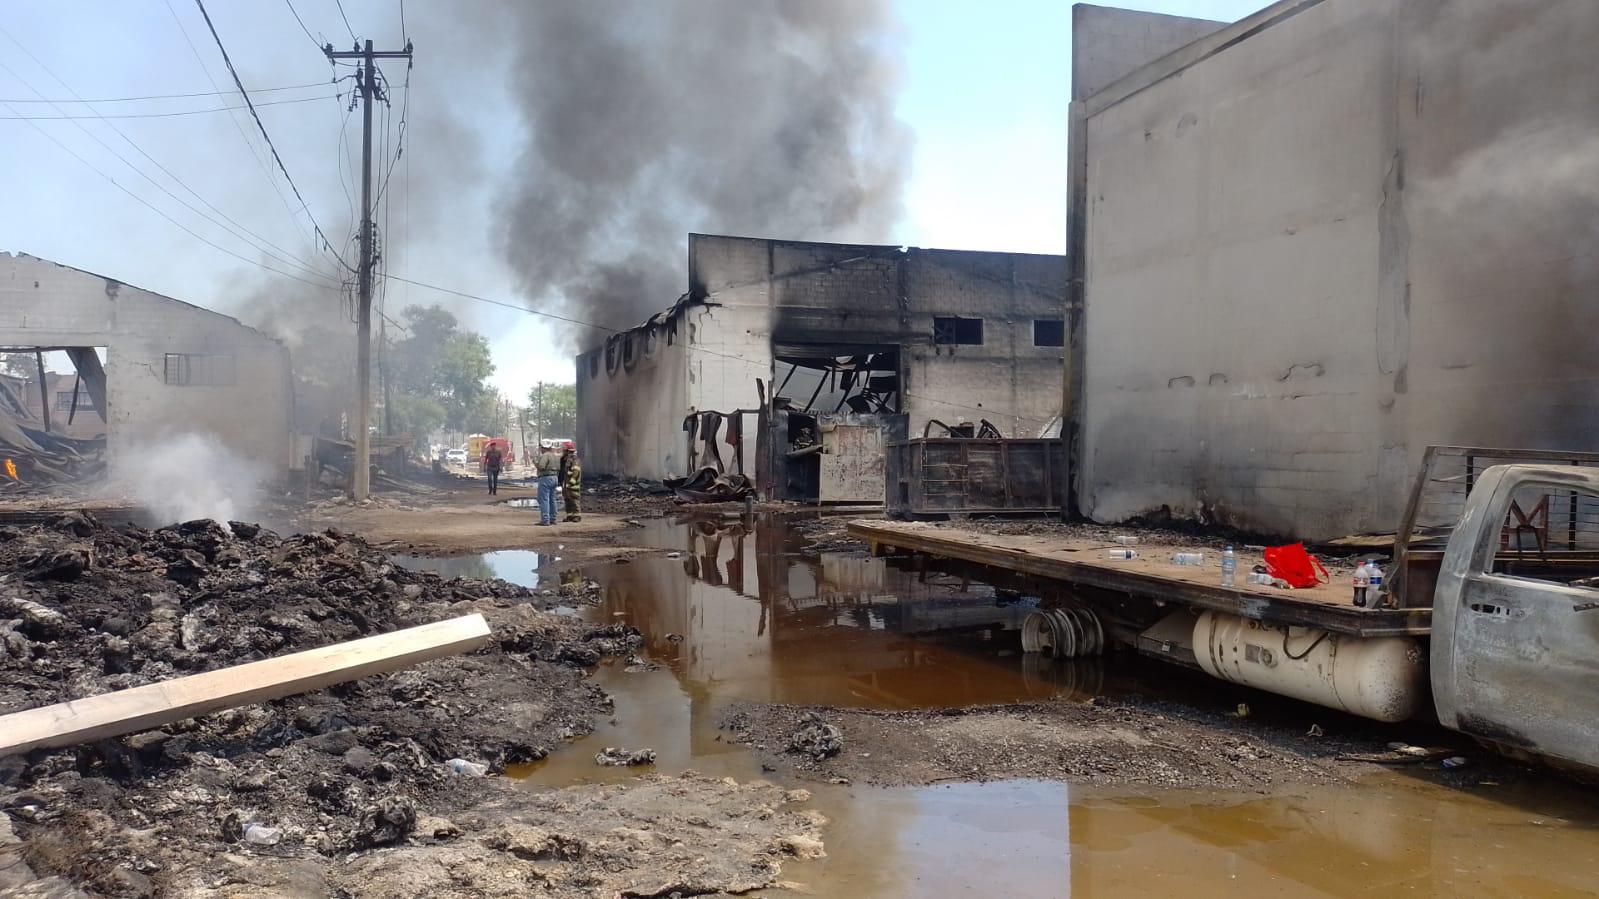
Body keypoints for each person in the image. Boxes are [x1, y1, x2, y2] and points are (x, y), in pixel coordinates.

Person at [534, 441, 562, 525]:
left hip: (545, 478)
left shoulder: (545, 456)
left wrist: (535, 463)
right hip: (554, 478)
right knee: (552, 499)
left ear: (543, 447)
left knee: (544, 499)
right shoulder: (555, 456)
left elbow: (541, 466)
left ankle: (545, 519)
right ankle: (553, 518)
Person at [560, 443, 582, 522]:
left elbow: (576, 471)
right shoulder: (567, 460)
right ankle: (570, 515)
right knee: (567, 500)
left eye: (564, 450)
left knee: (574, 500)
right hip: (566, 484)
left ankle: (577, 516)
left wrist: (571, 482)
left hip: (573, 485)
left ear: (568, 451)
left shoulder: (575, 460)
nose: (563, 451)